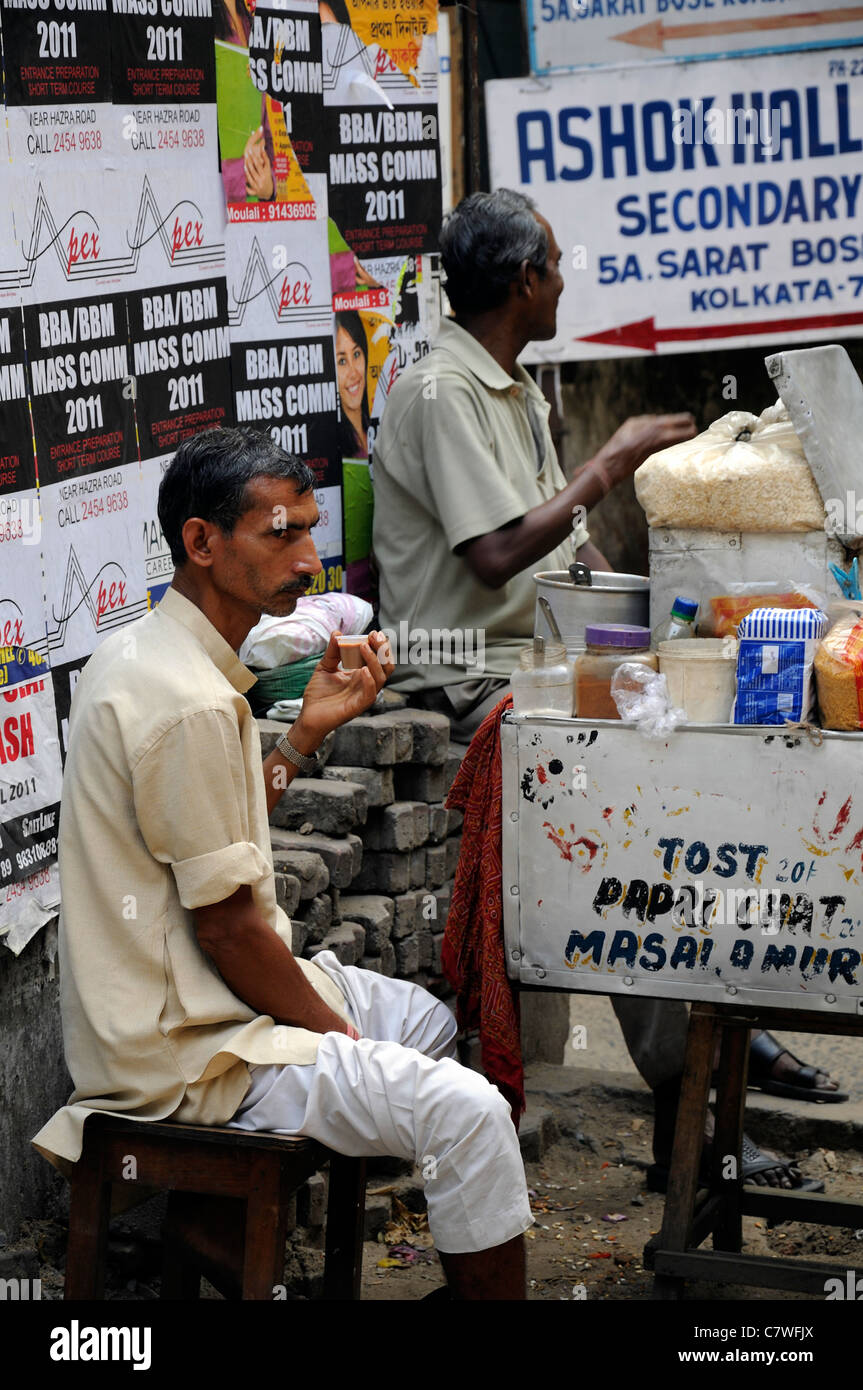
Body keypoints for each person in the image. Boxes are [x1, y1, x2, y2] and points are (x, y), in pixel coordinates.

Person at [372, 188, 839, 1187]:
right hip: (462, 669)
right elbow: (497, 555)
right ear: (522, 282)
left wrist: (678, 635)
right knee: (636, 806)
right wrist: (609, 463)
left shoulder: (510, 385)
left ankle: (722, 1014)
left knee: (717, 743)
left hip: (536, 653)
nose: (565, 281)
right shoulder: (441, 393)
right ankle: (686, 1108)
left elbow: (573, 567)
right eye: (552, 265)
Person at [32, 427, 534, 1299]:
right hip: (188, 1052)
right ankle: (222, 1226)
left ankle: (218, 1230)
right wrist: (328, 1036)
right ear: (201, 542)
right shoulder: (182, 697)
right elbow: (227, 929)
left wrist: (302, 736)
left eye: (310, 529)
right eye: (281, 534)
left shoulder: (161, 654)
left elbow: (214, 831)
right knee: (472, 1113)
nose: (308, 559)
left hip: (208, 1003)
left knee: (421, 1023)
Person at [335, 310, 370, 458]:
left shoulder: (375, 425)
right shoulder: (337, 445)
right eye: (342, 361)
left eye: (356, 354)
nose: (353, 372)